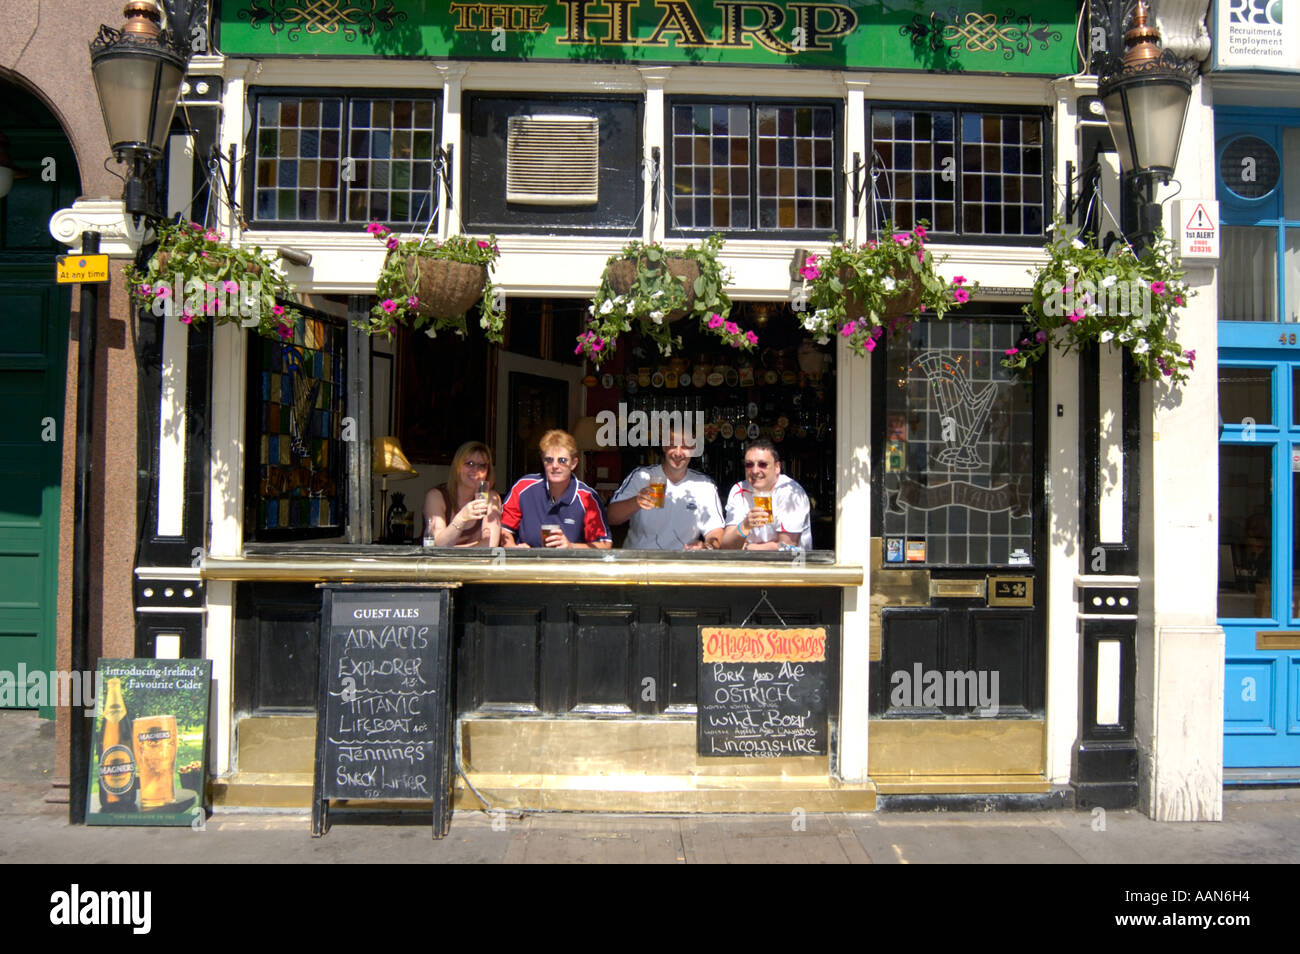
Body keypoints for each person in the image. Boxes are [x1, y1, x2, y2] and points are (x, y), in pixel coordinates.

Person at [608, 427, 724, 549]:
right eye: (672, 445)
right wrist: (637, 501)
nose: (678, 453)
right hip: (642, 561)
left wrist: (708, 547)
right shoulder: (641, 476)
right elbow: (611, 517)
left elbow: (715, 530)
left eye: (685, 446)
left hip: (682, 561)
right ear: (664, 447)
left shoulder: (704, 484)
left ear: (694, 449)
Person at [501, 429, 612, 549]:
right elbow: (503, 529)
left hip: (569, 565)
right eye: (549, 460)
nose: (555, 466)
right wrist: (513, 548)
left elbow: (604, 544)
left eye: (562, 460)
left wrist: (571, 547)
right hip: (529, 564)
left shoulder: (587, 497)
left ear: (573, 464)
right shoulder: (523, 487)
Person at [720, 439, 813, 551]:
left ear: (777, 467)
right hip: (748, 565)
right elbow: (726, 546)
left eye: (762, 464)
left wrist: (747, 548)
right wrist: (745, 526)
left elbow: (787, 547)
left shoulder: (790, 492)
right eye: (749, 465)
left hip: (789, 566)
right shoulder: (738, 490)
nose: (755, 470)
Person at [423, 441, 502, 547]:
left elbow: (490, 546)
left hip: (476, 563)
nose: (476, 470)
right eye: (469, 463)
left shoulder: (491, 497)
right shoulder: (436, 496)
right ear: (457, 467)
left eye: (482, 466)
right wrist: (462, 518)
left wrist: (452, 549)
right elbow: (437, 546)